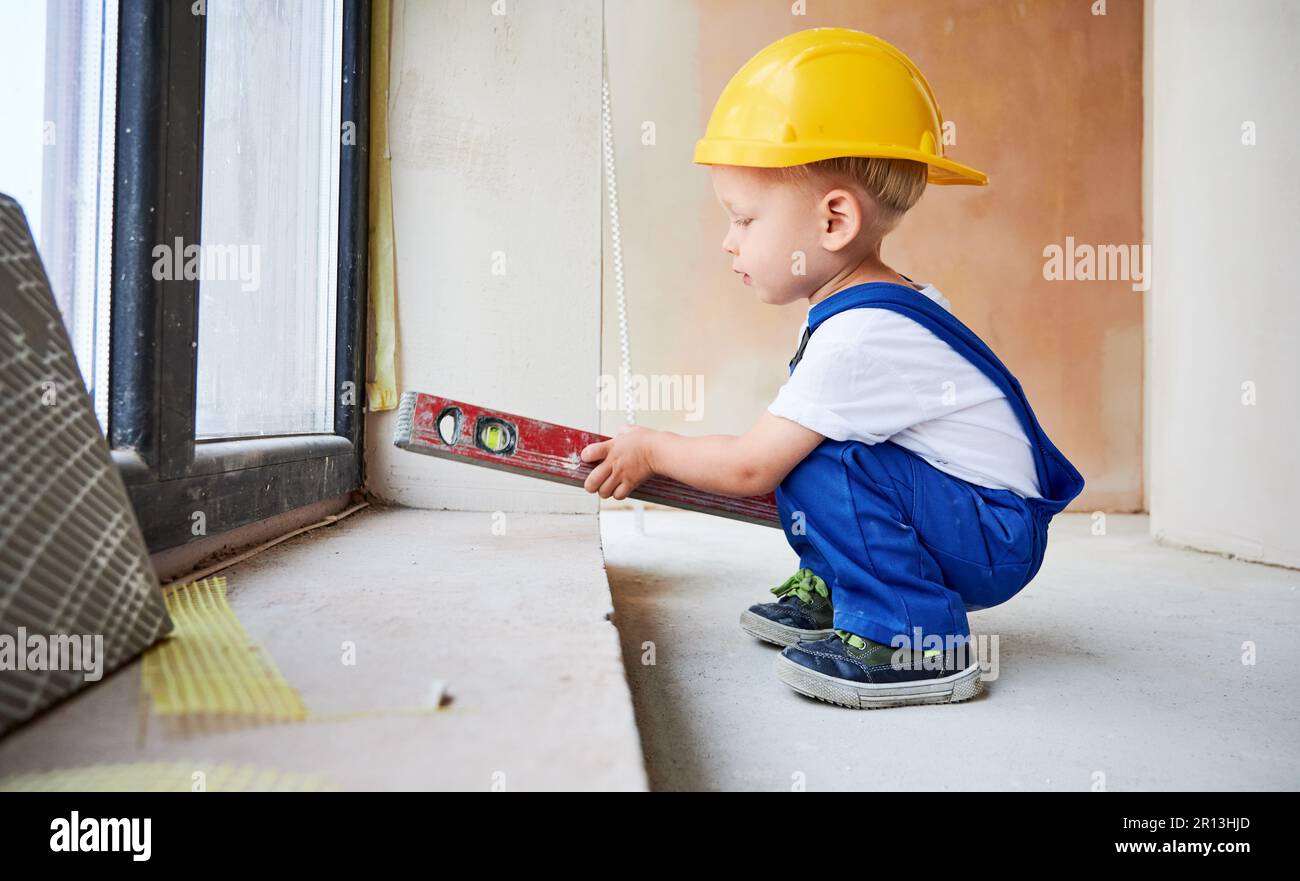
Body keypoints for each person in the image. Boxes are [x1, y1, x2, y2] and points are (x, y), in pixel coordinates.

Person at [580, 28, 1084, 710]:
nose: (730, 241)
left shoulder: (860, 336)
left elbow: (751, 468)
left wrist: (652, 449)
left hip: (993, 534)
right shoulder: (869, 307)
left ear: (834, 219)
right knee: (818, 448)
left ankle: (912, 638)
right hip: (978, 517)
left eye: (745, 218)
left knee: (816, 462)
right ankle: (851, 590)